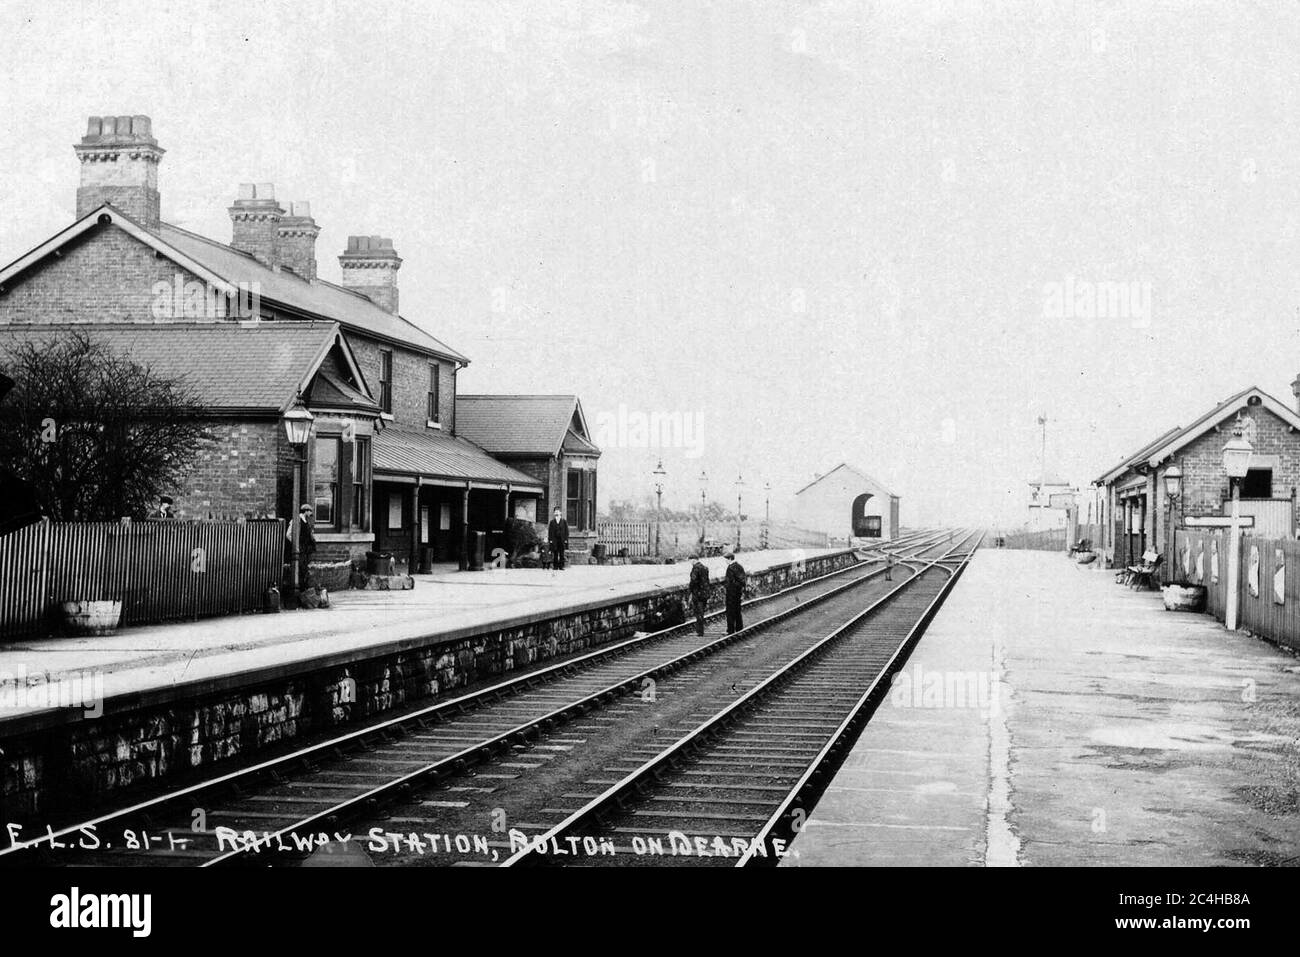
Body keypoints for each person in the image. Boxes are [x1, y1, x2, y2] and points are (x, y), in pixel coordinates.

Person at [723, 551, 747, 634]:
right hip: (738, 593)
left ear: (730, 559)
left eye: (726, 559)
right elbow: (742, 580)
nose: (725, 561)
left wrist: (730, 589)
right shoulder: (739, 566)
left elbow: (729, 582)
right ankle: (739, 628)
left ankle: (730, 630)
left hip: (731, 593)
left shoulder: (730, 568)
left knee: (730, 612)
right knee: (737, 610)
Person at [688, 555, 711, 637]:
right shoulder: (705, 568)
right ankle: (700, 630)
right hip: (704, 593)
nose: (690, 562)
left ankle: (700, 631)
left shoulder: (695, 568)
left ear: (693, 560)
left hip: (697, 594)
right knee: (702, 611)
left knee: (698, 612)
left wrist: (690, 591)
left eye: (690, 560)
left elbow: (693, 581)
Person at [296, 504, 316, 589]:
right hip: (301, 548)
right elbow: (289, 534)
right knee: (301, 568)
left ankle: (304, 587)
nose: (310, 513)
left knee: (304, 568)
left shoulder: (305, 520)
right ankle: (301, 587)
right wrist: (296, 545)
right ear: (306, 511)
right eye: (310, 511)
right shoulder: (298, 520)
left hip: (305, 548)